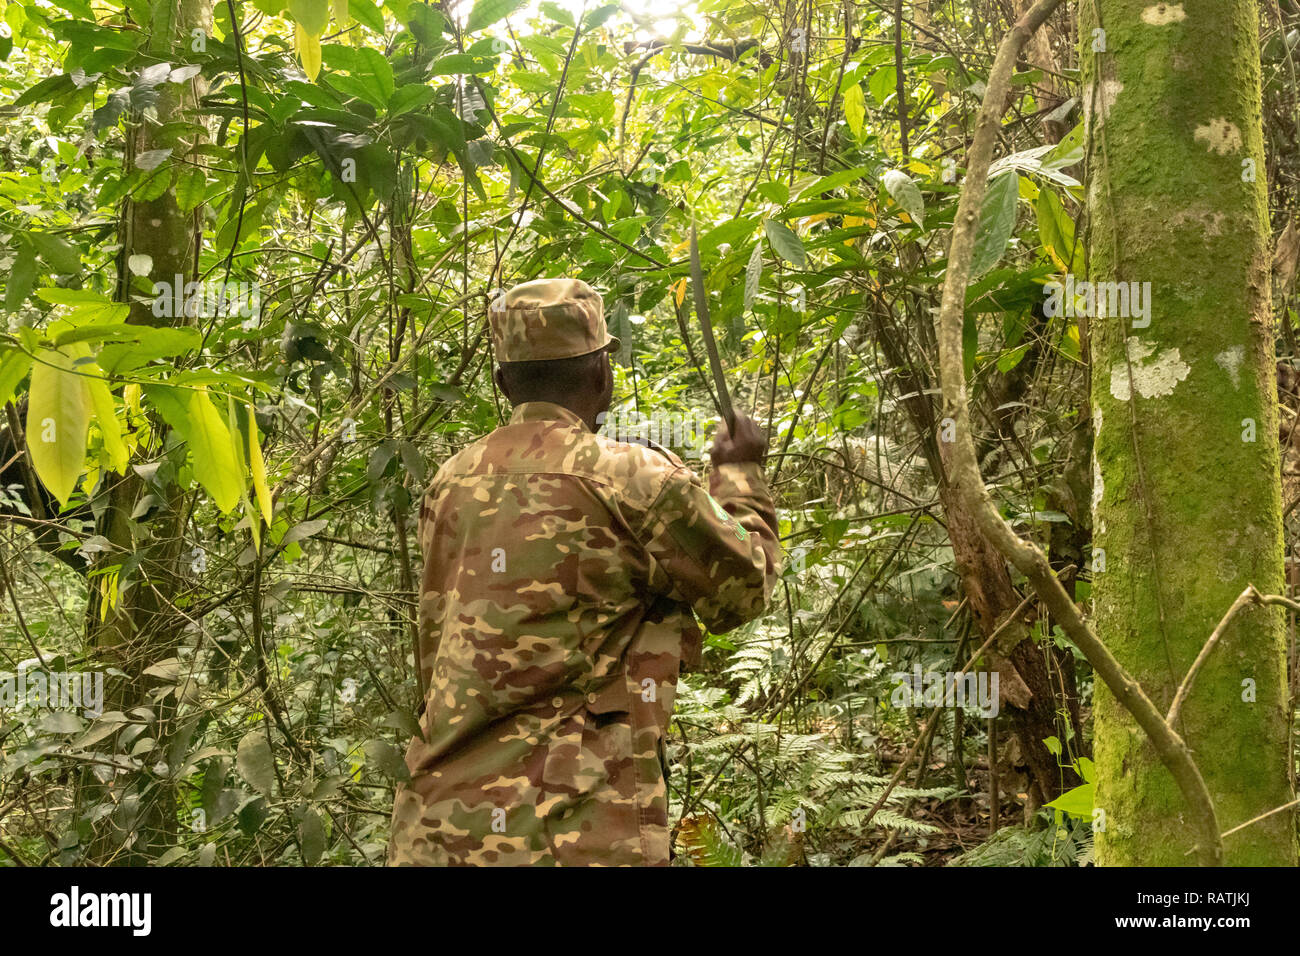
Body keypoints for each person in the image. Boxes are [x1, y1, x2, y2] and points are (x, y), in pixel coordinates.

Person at [387, 277, 781, 865]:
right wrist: (740, 474)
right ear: (603, 373)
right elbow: (743, 590)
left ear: (502, 382)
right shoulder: (634, 479)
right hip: (576, 833)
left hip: (437, 830)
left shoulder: (449, 481)